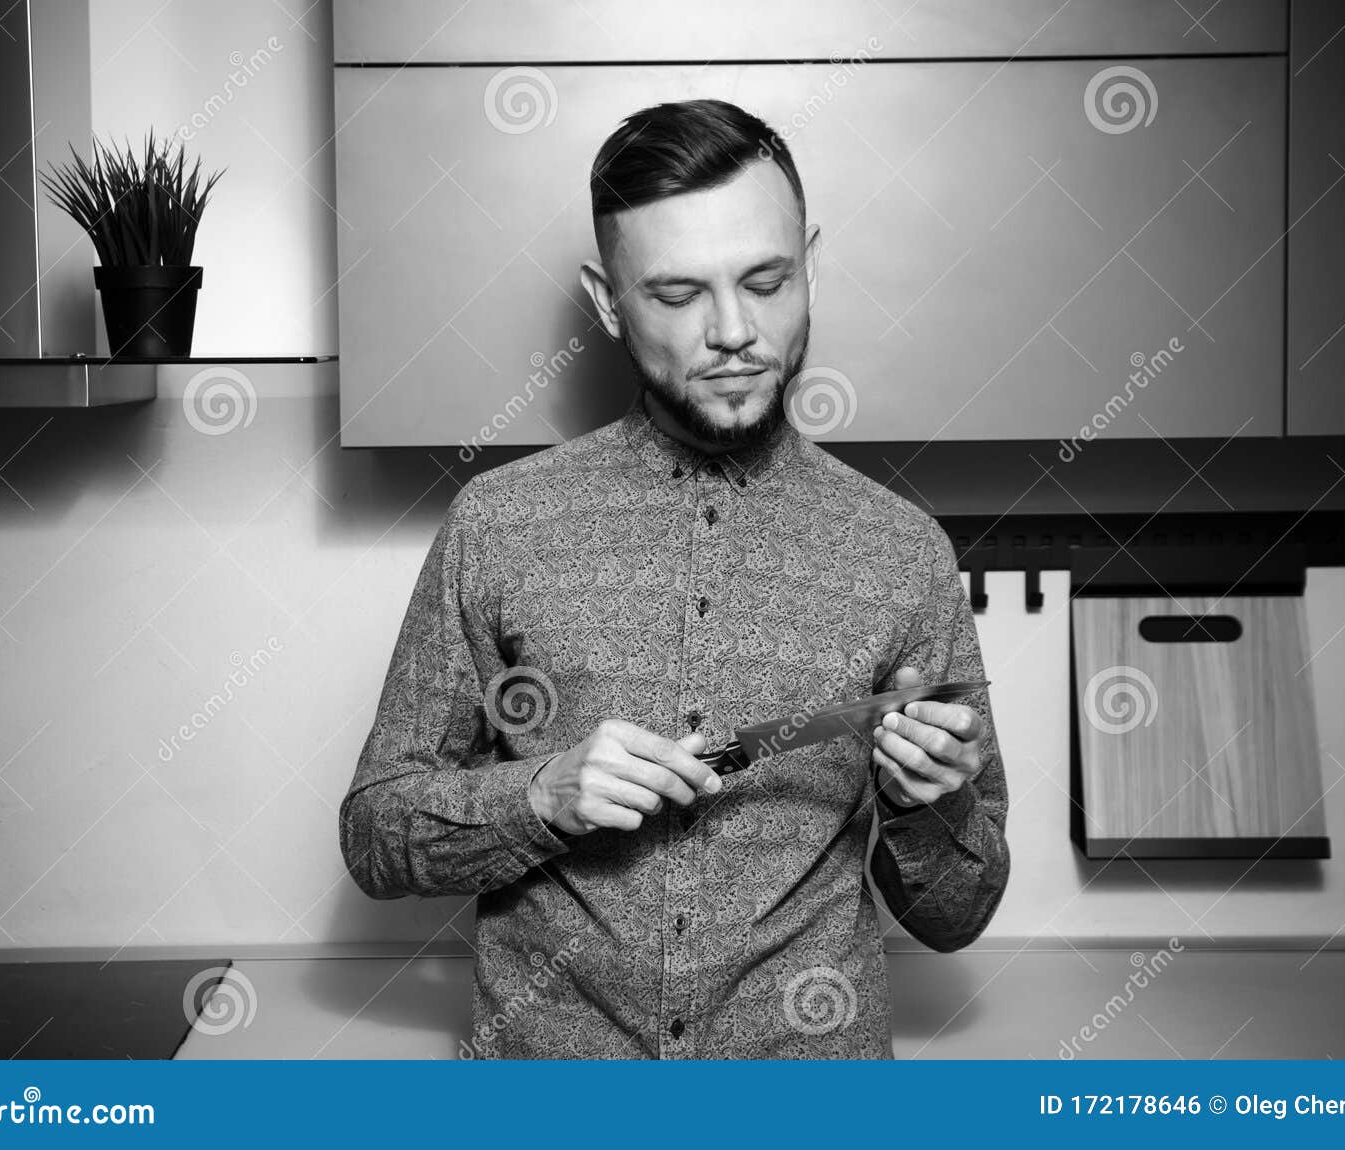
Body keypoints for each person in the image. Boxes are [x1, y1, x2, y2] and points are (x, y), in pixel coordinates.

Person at [340, 98, 1009, 1059]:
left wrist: (928, 803)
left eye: (767, 281)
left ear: (811, 265)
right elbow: (374, 835)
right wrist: (540, 796)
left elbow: (958, 914)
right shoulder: (498, 525)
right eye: (678, 294)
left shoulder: (904, 551)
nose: (734, 330)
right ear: (608, 302)